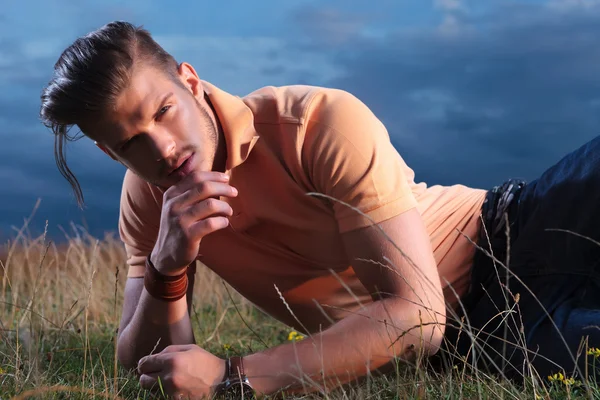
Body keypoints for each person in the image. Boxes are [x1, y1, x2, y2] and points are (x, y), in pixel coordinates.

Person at [38, 21, 600, 398]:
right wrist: (168, 268)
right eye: (131, 142)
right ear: (110, 151)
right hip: (482, 338)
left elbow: (413, 309)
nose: (162, 149)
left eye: (163, 111)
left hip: (519, 227)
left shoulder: (315, 123)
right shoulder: (146, 197)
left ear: (189, 81)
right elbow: (149, 365)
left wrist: (234, 379)